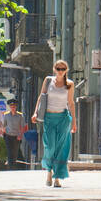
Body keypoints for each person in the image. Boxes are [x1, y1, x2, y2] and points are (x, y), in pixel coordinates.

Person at [36, 60, 76, 188]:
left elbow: (71, 103)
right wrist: (35, 113)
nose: (60, 71)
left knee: (61, 148)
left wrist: (74, 121)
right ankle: (49, 171)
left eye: (62, 69)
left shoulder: (69, 84)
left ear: (66, 70)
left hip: (63, 118)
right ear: (54, 69)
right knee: (50, 147)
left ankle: (57, 177)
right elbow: (41, 97)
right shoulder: (48, 81)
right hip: (49, 117)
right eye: (58, 68)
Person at [3, 99, 25, 168]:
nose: (13, 107)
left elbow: (22, 126)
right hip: (8, 135)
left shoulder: (20, 115)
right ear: (10, 107)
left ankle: (13, 165)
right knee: (9, 151)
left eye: (14, 106)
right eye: (11, 106)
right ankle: (10, 166)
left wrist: (20, 135)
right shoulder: (6, 115)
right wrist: (3, 133)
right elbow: (4, 125)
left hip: (16, 136)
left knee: (15, 152)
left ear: (16, 107)